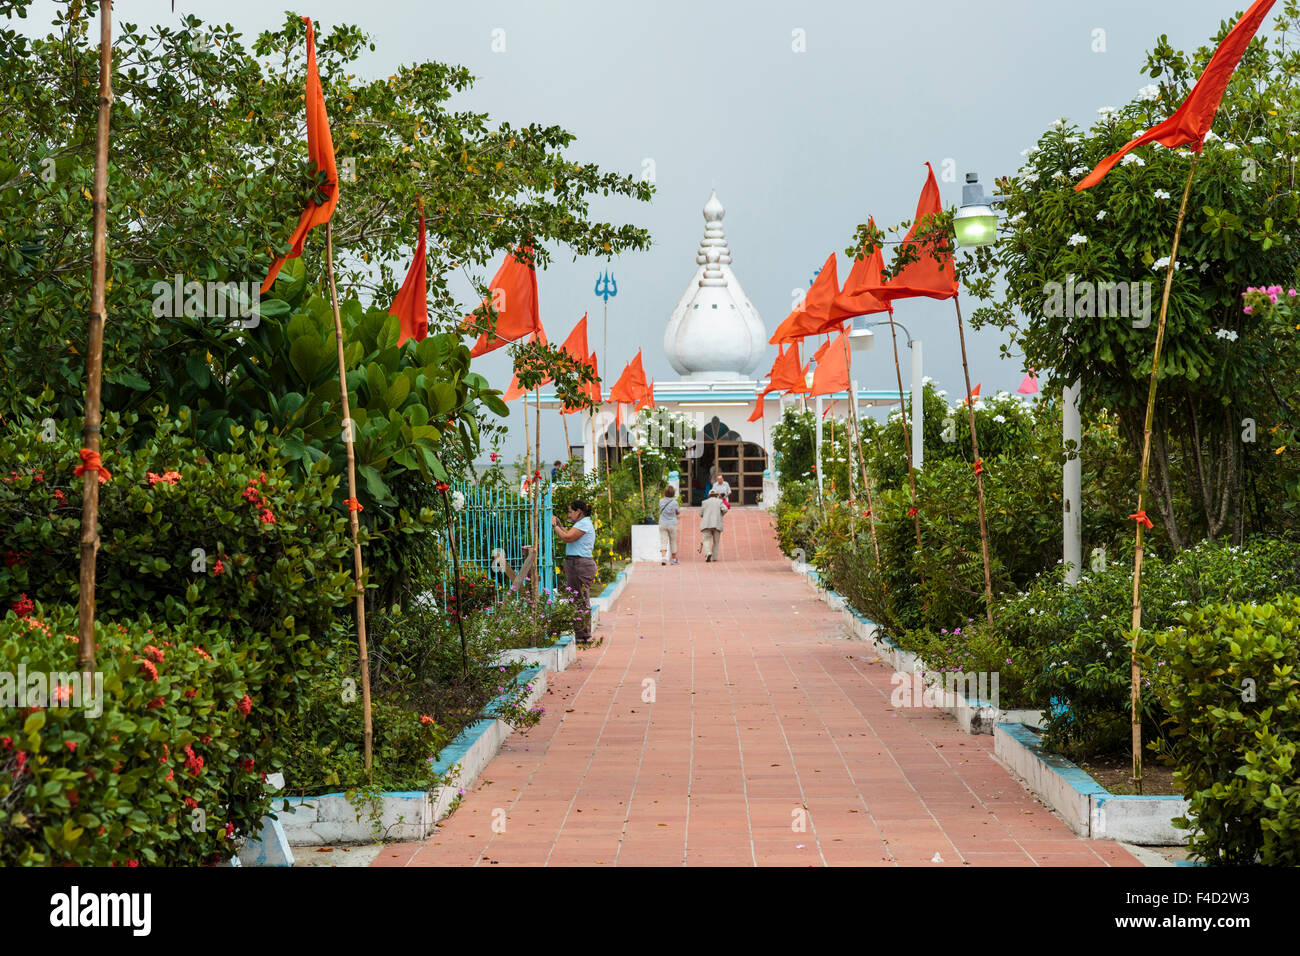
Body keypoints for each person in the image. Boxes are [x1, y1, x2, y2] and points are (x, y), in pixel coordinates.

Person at [552, 499, 597, 644]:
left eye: (571, 511)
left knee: (581, 599)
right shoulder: (580, 524)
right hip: (575, 563)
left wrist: (554, 526)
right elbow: (568, 533)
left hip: (580, 564)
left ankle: (584, 634)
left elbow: (567, 537)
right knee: (577, 599)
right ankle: (581, 634)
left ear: (579, 512)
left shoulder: (584, 523)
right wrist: (559, 525)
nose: (569, 514)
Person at [699, 490, 725, 562]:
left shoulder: (704, 502)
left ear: (709, 495)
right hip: (717, 523)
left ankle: (708, 553)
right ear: (716, 495)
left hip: (706, 524)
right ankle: (715, 557)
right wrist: (720, 515)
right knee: (716, 542)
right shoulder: (719, 501)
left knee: (706, 540)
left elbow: (701, 514)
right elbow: (725, 509)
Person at [658, 485, 680, 565]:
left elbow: (660, 510)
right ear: (673, 493)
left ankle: (663, 558)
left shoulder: (661, 501)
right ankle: (674, 559)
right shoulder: (675, 502)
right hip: (672, 524)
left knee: (663, 541)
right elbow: (678, 512)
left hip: (662, 523)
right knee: (673, 541)